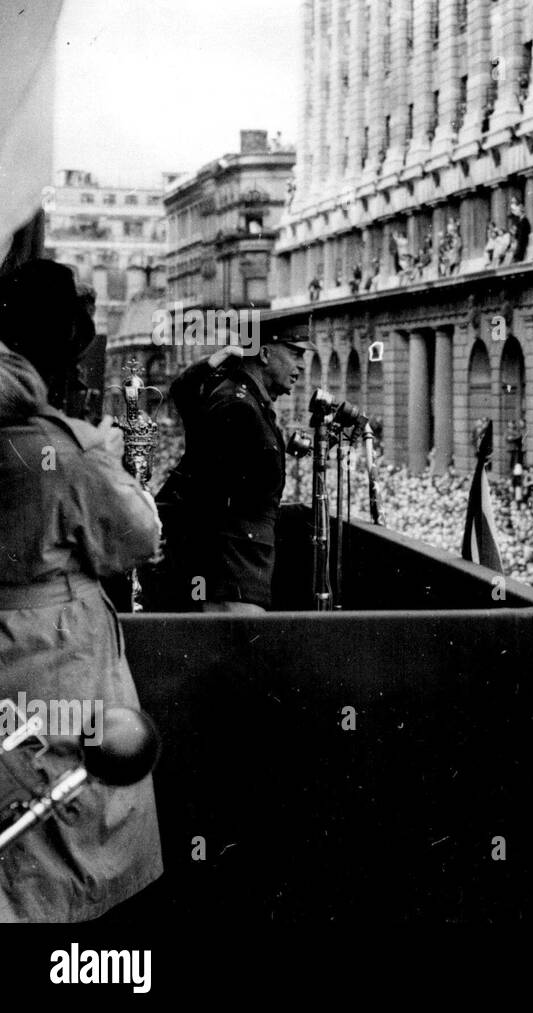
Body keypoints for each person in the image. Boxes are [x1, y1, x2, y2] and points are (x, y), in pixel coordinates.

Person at [0, 259, 163, 921]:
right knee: (65, 842)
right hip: (55, 661)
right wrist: (107, 455)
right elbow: (137, 538)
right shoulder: (64, 447)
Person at [153, 334, 311, 612]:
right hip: (233, 581)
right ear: (264, 354)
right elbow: (214, 501)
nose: (301, 365)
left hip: (239, 575)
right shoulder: (239, 408)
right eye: (295, 354)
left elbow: (184, 391)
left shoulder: (245, 399)